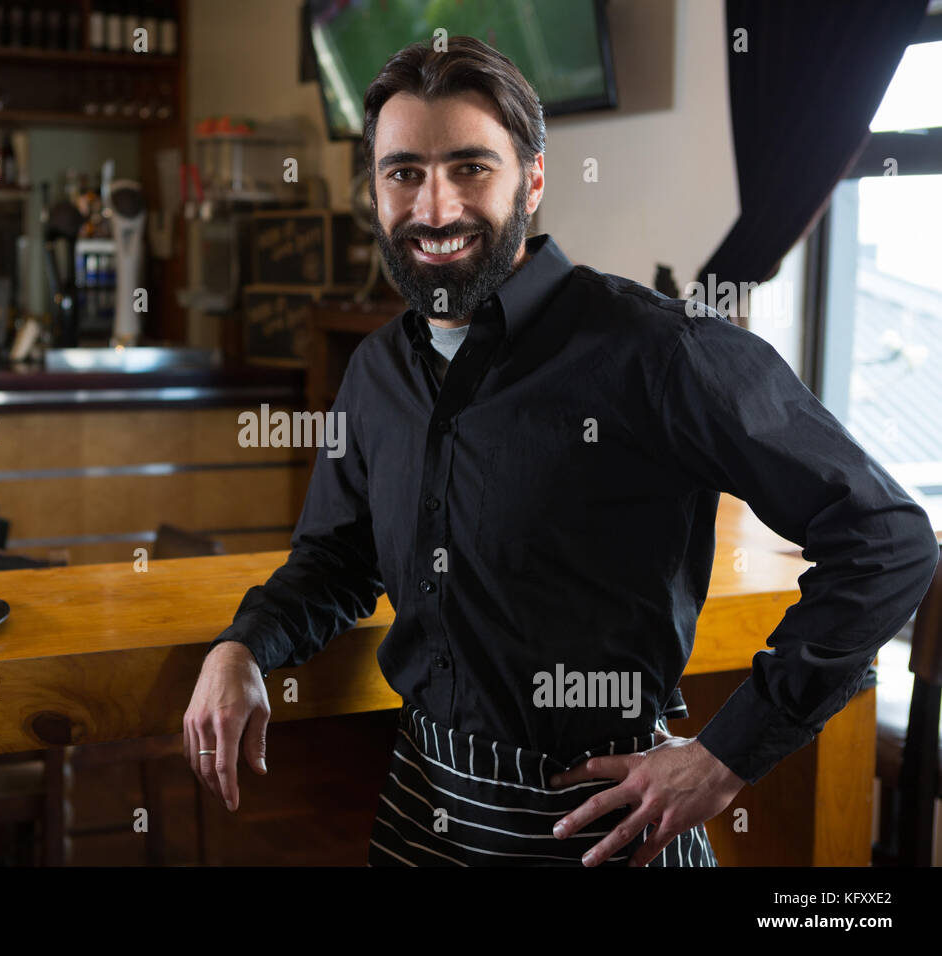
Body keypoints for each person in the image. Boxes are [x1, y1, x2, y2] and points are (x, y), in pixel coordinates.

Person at [183, 36, 940, 866]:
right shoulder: (375, 371)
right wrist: (245, 644)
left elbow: (888, 541)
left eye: (471, 168)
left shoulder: (657, 351)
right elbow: (337, 557)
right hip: (419, 810)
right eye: (404, 173)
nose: (435, 209)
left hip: (601, 827)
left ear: (534, 179)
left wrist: (727, 756)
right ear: (376, 188)